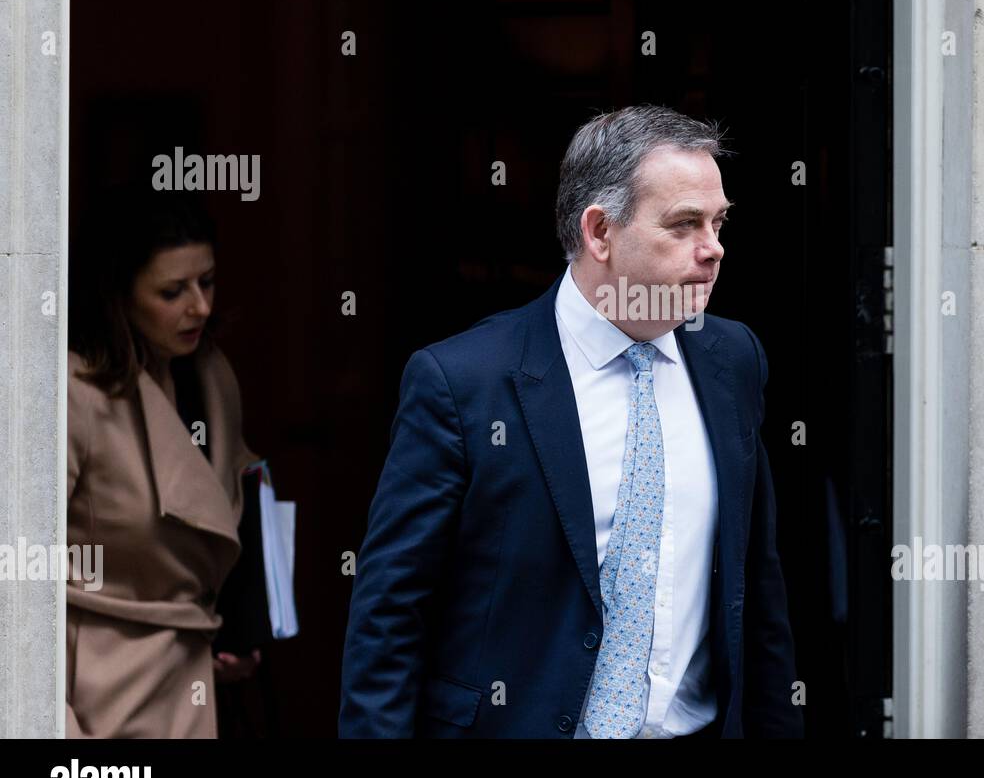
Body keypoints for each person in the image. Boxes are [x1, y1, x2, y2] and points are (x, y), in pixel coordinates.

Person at [339, 104, 802, 738]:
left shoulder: (733, 360)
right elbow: (390, 614)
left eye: (718, 223)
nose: (713, 249)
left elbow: (759, 588)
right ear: (599, 231)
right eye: (684, 224)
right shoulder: (464, 382)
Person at [66, 191, 260, 737]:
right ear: (118, 294)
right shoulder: (72, 393)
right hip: (100, 704)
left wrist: (240, 629)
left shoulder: (212, 375)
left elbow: (220, 528)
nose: (200, 307)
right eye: (172, 292)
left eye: (208, 282)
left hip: (198, 689)